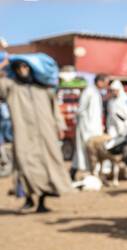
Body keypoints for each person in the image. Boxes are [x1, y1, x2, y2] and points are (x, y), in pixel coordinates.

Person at [0, 56, 69, 211]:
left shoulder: (43, 89)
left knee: (47, 166)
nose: (23, 70)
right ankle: (28, 199)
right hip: (24, 135)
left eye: (25, 67)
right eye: (19, 68)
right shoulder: (12, 87)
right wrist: (1, 68)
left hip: (46, 135)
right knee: (24, 166)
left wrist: (60, 126)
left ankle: (42, 203)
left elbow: (55, 110)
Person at [73, 74, 107, 176]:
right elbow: (81, 109)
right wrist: (85, 124)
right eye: (105, 82)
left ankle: (94, 173)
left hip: (94, 128)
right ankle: (77, 172)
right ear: (100, 82)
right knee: (84, 151)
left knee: (93, 152)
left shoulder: (96, 92)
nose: (106, 85)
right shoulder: (88, 92)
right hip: (86, 127)